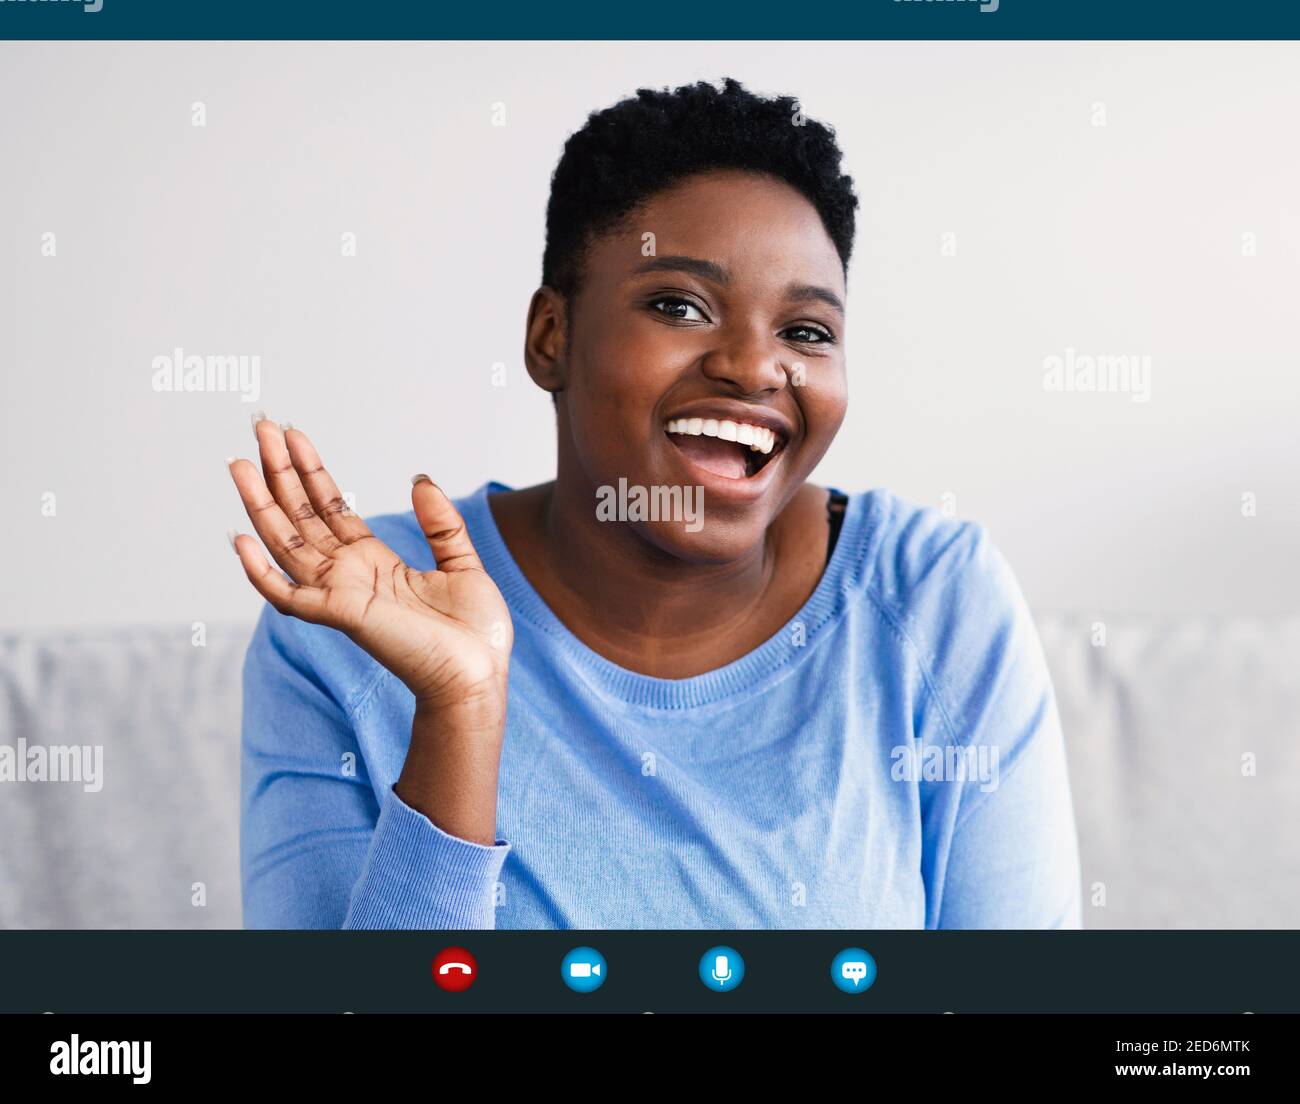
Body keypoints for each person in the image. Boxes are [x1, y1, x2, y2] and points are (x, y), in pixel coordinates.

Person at [229, 77, 1082, 930]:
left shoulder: (935, 600)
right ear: (550, 337)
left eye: (808, 332)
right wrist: (461, 711)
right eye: (679, 305)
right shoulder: (356, 616)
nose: (755, 368)